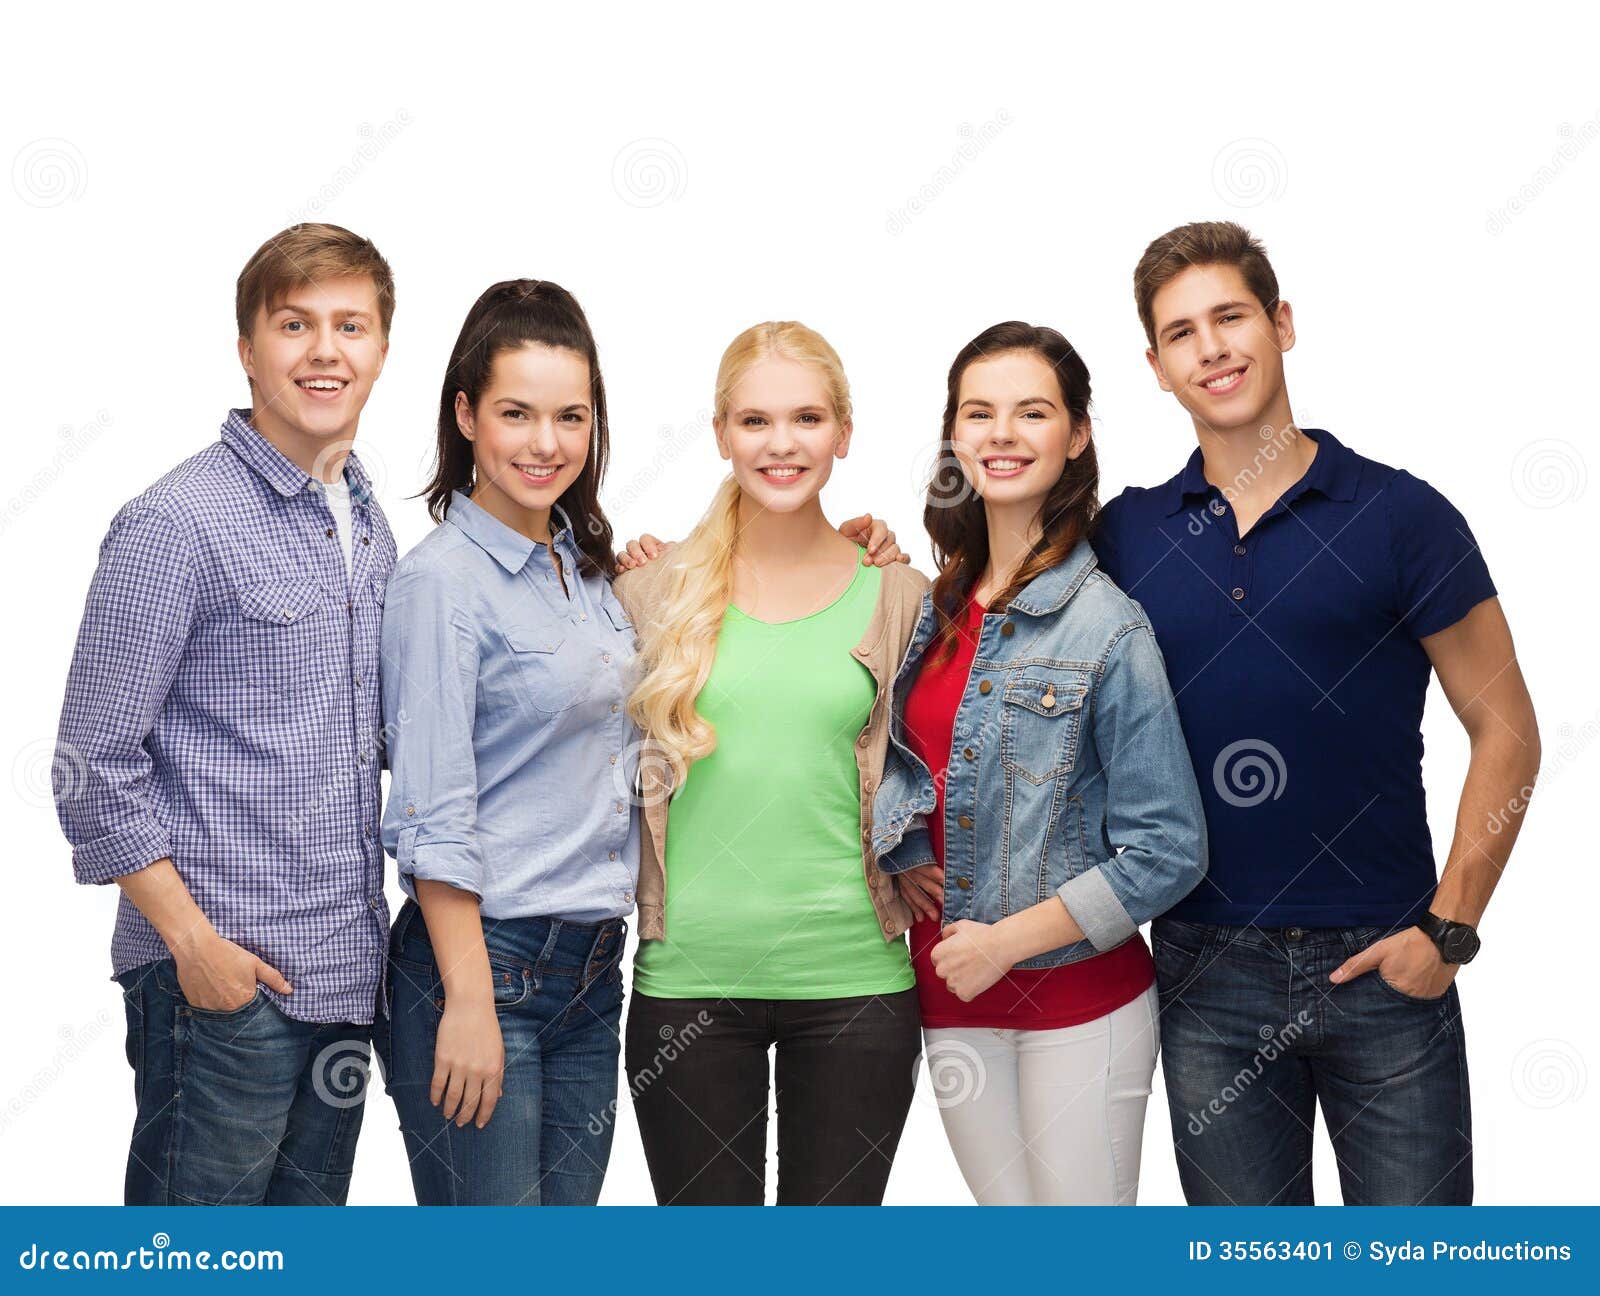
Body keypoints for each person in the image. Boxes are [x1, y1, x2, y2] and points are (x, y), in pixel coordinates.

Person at [1095, 220, 1541, 1205]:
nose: (1211, 347)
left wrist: (1449, 931)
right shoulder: (1125, 533)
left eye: (1230, 316)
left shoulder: (1401, 517)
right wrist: (876, 556)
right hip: (1202, 970)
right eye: (1181, 333)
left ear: (1280, 324)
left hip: (1386, 960)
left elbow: (1507, 730)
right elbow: (997, 602)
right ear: (1157, 366)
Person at [53, 223, 397, 1205]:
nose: (324, 350)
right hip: (220, 981)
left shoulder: (366, 520)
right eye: (295, 324)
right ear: (248, 349)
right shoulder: (176, 524)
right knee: (186, 1263)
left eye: (350, 325)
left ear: (379, 351)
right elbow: (90, 760)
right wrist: (193, 947)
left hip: (342, 974)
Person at [871, 321, 1207, 1205]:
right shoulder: (930, 606)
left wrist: (1004, 945)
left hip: (1078, 1004)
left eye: (1032, 412)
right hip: (950, 1000)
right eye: (979, 413)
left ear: (1078, 435)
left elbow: (1168, 848)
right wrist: (905, 859)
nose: (1003, 434)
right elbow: (902, 767)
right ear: (954, 436)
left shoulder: (1107, 625)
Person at [612, 321, 926, 1205]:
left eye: (807, 418)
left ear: (844, 432)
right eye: (754, 421)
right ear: (720, 434)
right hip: (688, 988)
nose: (781, 444)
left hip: (857, 985)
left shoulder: (901, 594)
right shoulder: (648, 593)